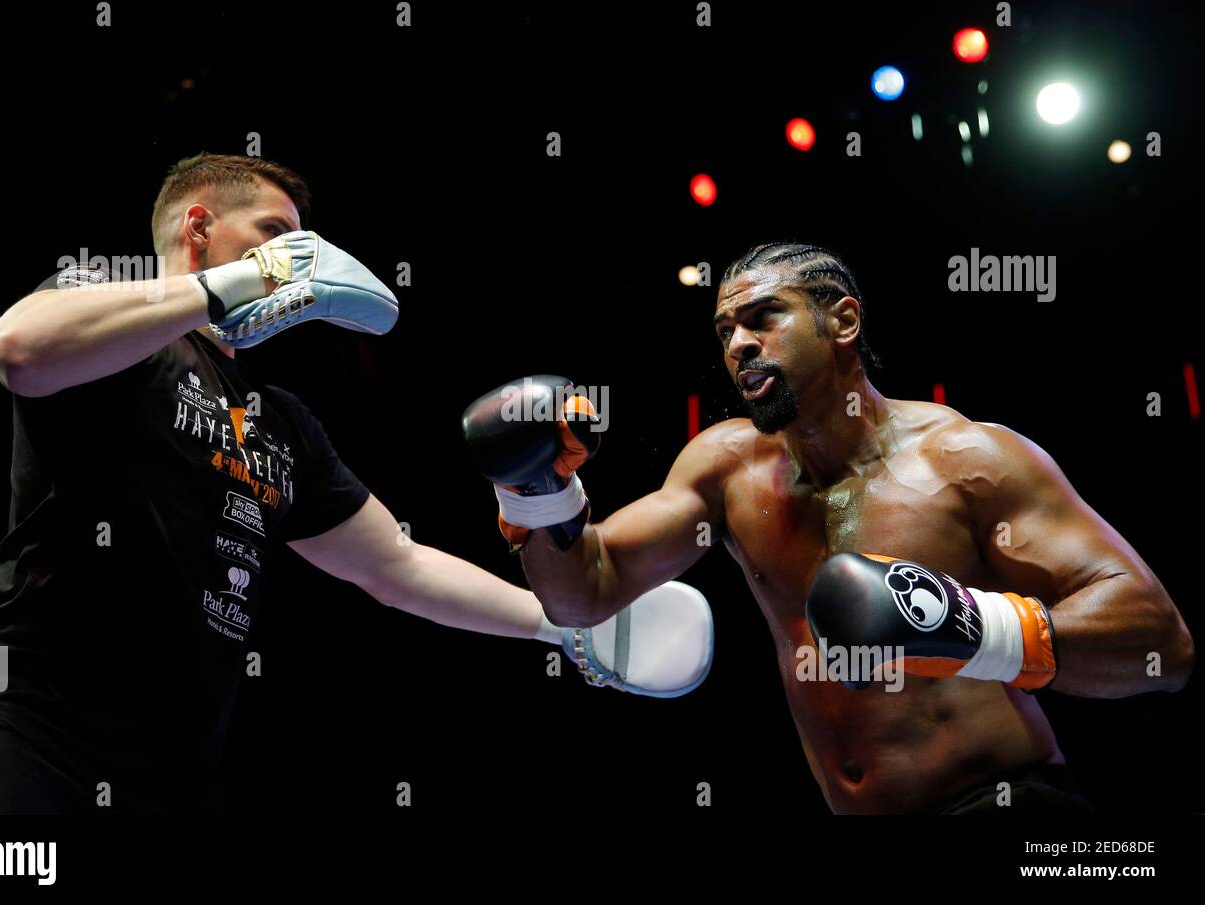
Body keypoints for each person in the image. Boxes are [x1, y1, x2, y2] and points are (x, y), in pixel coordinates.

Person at [0, 153, 709, 814]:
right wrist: (228, 287)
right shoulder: (108, 325)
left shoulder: (278, 420)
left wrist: (561, 629)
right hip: (20, 739)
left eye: (303, 243)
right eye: (277, 235)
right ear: (198, 228)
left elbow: (396, 567)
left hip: (167, 779)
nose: (301, 261)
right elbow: (19, 349)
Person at [463, 242, 1194, 814]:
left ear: (842, 320)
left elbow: (1162, 642)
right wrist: (538, 492)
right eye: (724, 330)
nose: (738, 345)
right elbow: (584, 594)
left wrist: (970, 627)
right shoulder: (723, 467)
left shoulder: (965, 457)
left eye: (762, 318)